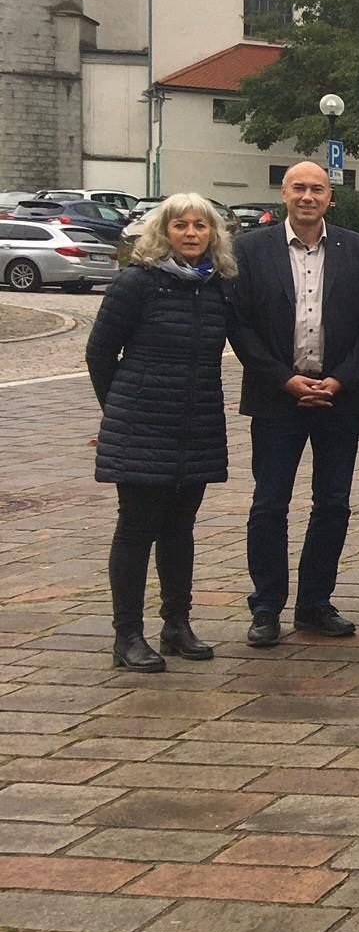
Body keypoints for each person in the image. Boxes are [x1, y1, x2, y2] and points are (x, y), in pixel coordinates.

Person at [228, 160, 359, 646]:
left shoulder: (356, 249)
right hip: (278, 398)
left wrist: (340, 381)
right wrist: (284, 380)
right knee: (269, 503)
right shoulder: (250, 249)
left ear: (329, 197)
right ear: (284, 193)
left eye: (317, 188)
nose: (307, 196)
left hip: (338, 398)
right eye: (299, 187)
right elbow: (241, 325)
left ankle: (316, 602)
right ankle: (267, 607)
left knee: (334, 503)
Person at [88, 195, 234, 672]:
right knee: (136, 528)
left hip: (196, 423)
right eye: (180, 225)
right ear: (162, 232)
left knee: (180, 528)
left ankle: (177, 623)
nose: (191, 234)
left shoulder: (216, 287)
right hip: (142, 423)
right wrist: (121, 410)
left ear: (213, 235)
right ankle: (127, 634)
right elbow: (100, 353)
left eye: (200, 226)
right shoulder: (137, 283)